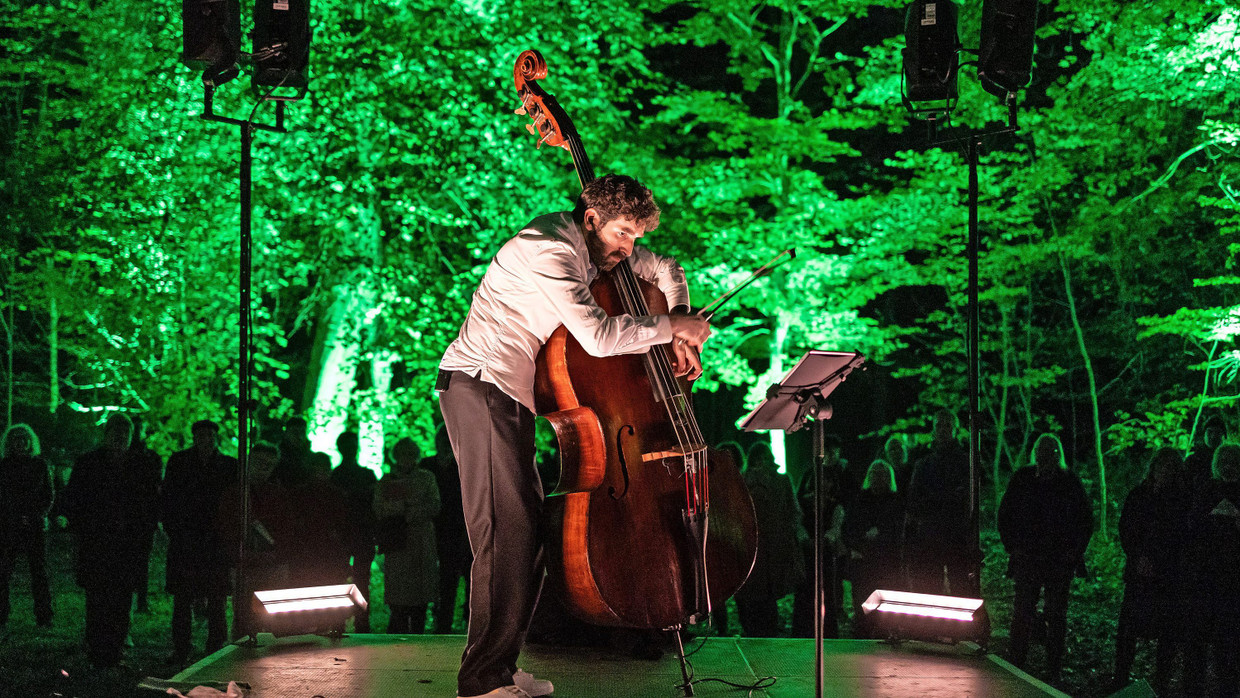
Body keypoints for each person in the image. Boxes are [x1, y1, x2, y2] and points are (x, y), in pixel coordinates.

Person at [437, 174, 711, 698]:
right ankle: (479, 680)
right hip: (480, 386)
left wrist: (676, 310)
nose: (631, 248)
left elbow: (666, 267)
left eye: (636, 236)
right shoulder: (547, 249)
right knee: (505, 534)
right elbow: (599, 336)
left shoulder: (604, 251)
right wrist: (671, 331)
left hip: (508, 396)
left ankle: (500, 668)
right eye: (623, 234)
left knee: (529, 535)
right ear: (591, 219)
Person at [63, 414, 161, 669]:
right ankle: (100, 650)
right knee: (99, 599)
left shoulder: (137, 465)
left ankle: (113, 650)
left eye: (124, 435)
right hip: (99, 542)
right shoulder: (91, 464)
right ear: (107, 435)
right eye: (116, 435)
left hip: (125, 542)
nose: (120, 440)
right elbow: (75, 501)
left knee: (119, 599)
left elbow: (150, 502)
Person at [997, 433, 1093, 682]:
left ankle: (1053, 668)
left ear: (1057, 455)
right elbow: (1005, 515)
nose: (1045, 457)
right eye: (1042, 452)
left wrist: (1074, 552)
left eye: (1050, 452)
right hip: (1028, 557)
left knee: (1056, 614)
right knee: (1023, 611)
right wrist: (1013, 547)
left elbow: (1085, 520)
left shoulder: (1068, 481)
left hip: (1059, 560)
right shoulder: (1024, 479)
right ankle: (1017, 662)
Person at [1113, 447, 1191, 693]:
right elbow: (1126, 528)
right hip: (1139, 573)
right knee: (1128, 630)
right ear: (1154, 467)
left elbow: (1182, 536)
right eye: (1162, 466)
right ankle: (1120, 678)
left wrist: (1163, 562)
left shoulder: (1182, 499)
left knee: (1167, 633)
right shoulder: (1139, 494)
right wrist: (1138, 557)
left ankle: (1161, 684)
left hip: (1168, 576)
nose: (1165, 471)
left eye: (1171, 467)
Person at [161, 419, 237, 664]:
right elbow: (169, 498)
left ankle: (215, 645)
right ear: (195, 437)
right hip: (186, 539)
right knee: (183, 599)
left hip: (215, 541)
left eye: (210, 435)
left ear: (216, 438)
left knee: (216, 598)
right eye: (201, 435)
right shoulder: (180, 462)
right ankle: (182, 646)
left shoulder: (228, 465)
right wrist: (175, 529)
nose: (205, 440)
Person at [217, 442, 293, 640]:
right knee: (244, 617)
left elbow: (287, 528)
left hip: (272, 563)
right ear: (249, 462)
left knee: (273, 616)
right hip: (246, 564)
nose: (263, 468)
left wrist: (278, 554)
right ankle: (241, 660)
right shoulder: (236, 493)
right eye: (259, 462)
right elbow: (227, 527)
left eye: (268, 464)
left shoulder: (278, 495)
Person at [1183, 443, 1240, 696]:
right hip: (1205, 576)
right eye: (1224, 459)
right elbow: (1193, 527)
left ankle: (1228, 686)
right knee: (1198, 636)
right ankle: (1194, 687)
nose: (1229, 464)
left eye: (1234, 459)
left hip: (1234, 579)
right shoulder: (1207, 488)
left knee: (1229, 637)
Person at [904, 409, 976, 597]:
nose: (943, 430)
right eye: (939, 425)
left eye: (947, 426)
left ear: (955, 430)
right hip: (930, 535)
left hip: (956, 535)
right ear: (933, 430)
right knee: (930, 588)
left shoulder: (966, 462)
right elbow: (914, 500)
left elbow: (966, 498)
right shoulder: (923, 463)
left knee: (961, 588)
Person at [735, 442, 805, 637]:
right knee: (751, 593)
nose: (761, 463)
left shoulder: (781, 481)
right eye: (758, 459)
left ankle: (767, 632)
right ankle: (753, 632)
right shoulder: (744, 481)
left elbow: (792, 510)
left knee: (768, 594)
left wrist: (789, 535)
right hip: (752, 544)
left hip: (774, 544)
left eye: (765, 458)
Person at [375, 437, 441, 634]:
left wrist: (411, 511)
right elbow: (379, 508)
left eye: (410, 455)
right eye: (403, 455)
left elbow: (435, 505)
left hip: (420, 541)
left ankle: (418, 633)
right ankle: (397, 629)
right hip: (397, 542)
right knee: (399, 596)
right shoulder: (387, 481)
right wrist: (401, 508)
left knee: (419, 596)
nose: (406, 459)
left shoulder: (426, 478)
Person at [791, 435, 847, 639]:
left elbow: (843, 510)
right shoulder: (808, 476)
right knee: (805, 590)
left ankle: (829, 632)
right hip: (808, 545)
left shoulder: (842, 477)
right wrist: (804, 536)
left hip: (828, 546)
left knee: (830, 590)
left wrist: (831, 536)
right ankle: (802, 631)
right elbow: (797, 511)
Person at [0, 423, 54, 629]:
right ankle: (2, 614)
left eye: (24, 439)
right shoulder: (4, 466)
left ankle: (44, 616)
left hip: (34, 525)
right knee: (4, 572)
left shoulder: (40, 465)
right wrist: (13, 517)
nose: (21, 443)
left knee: (39, 572)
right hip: (8, 526)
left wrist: (35, 515)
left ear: (30, 441)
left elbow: (48, 495)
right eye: (16, 439)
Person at [843, 460, 905, 639]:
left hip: (885, 564)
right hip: (863, 562)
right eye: (874, 473)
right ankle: (863, 634)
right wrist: (859, 543)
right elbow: (849, 528)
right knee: (863, 604)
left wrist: (879, 533)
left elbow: (896, 531)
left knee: (883, 604)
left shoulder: (895, 502)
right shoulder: (859, 500)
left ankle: (883, 633)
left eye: (881, 474)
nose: (877, 478)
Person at [330, 430, 378, 633]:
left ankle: (344, 622)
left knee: (349, 580)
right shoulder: (364, 475)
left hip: (349, 537)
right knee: (359, 580)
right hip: (356, 536)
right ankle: (359, 623)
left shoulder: (335, 476)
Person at [427, 426, 471, 634]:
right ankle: (444, 621)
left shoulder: (463, 464)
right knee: (445, 578)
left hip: (462, 528)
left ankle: (466, 620)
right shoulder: (429, 466)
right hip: (440, 528)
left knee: (465, 575)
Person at [129, 415, 163, 614]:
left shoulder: (150, 457)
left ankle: (140, 599)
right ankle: (138, 600)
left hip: (144, 516)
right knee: (138, 560)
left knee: (141, 560)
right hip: (140, 514)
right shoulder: (149, 457)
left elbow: (156, 487)